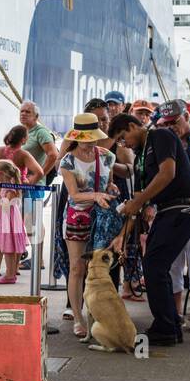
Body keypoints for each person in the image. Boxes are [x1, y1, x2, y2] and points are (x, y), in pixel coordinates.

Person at [113, 107, 190, 344]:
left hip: (182, 208)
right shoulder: (139, 159)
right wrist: (123, 236)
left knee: (155, 264)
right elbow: (137, 200)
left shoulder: (160, 135)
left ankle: (166, 327)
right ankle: (170, 325)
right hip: (165, 211)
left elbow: (168, 173)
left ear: (131, 126)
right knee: (154, 265)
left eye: (122, 138)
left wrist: (137, 201)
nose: (123, 144)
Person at [59, 113, 117, 337]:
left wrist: (111, 189)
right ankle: (78, 316)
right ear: (77, 137)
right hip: (76, 216)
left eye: (93, 138)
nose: (90, 143)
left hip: (101, 218)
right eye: (85, 138)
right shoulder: (67, 161)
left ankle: (97, 314)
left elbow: (109, 183)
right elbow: (73, 194)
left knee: (100, 267)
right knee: (77, 267)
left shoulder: (107, 157)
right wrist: (95, 195)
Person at [0, 159, 28, 284]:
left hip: (9, 218)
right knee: (9, 249)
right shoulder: (8, 186)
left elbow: (5, 206)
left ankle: (9, 274)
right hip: (8, 217)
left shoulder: (10, 188)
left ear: (3, 174)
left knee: (8, 248)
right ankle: (10, 273)